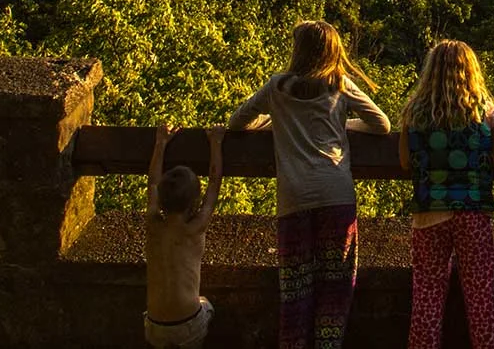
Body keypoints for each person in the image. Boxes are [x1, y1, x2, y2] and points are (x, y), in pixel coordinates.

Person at [230, 20, 392, 349]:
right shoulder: (339, 83)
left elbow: (237, 122)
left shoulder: (277, 87)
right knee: (335, 287)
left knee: (296, 288)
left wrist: (278, 120)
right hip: (336, 194)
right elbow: (382, 124)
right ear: (333, 51)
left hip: (294, 198)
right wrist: (341, 122)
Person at [397, 40, 494, 349]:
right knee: (481, 301)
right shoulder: (485, 110)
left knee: (427, 298)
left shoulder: (415, 112)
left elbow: (406, 161)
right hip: (473, 212)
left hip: (429, 213)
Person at [145, 122, 225, 349]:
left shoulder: (153, 223)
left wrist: (160, 142)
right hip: (188, 325)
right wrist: (215, 142)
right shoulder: (194, 227)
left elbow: (152, 182)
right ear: (194, 203)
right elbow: (214, 182)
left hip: (154, 325)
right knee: (205, 304)